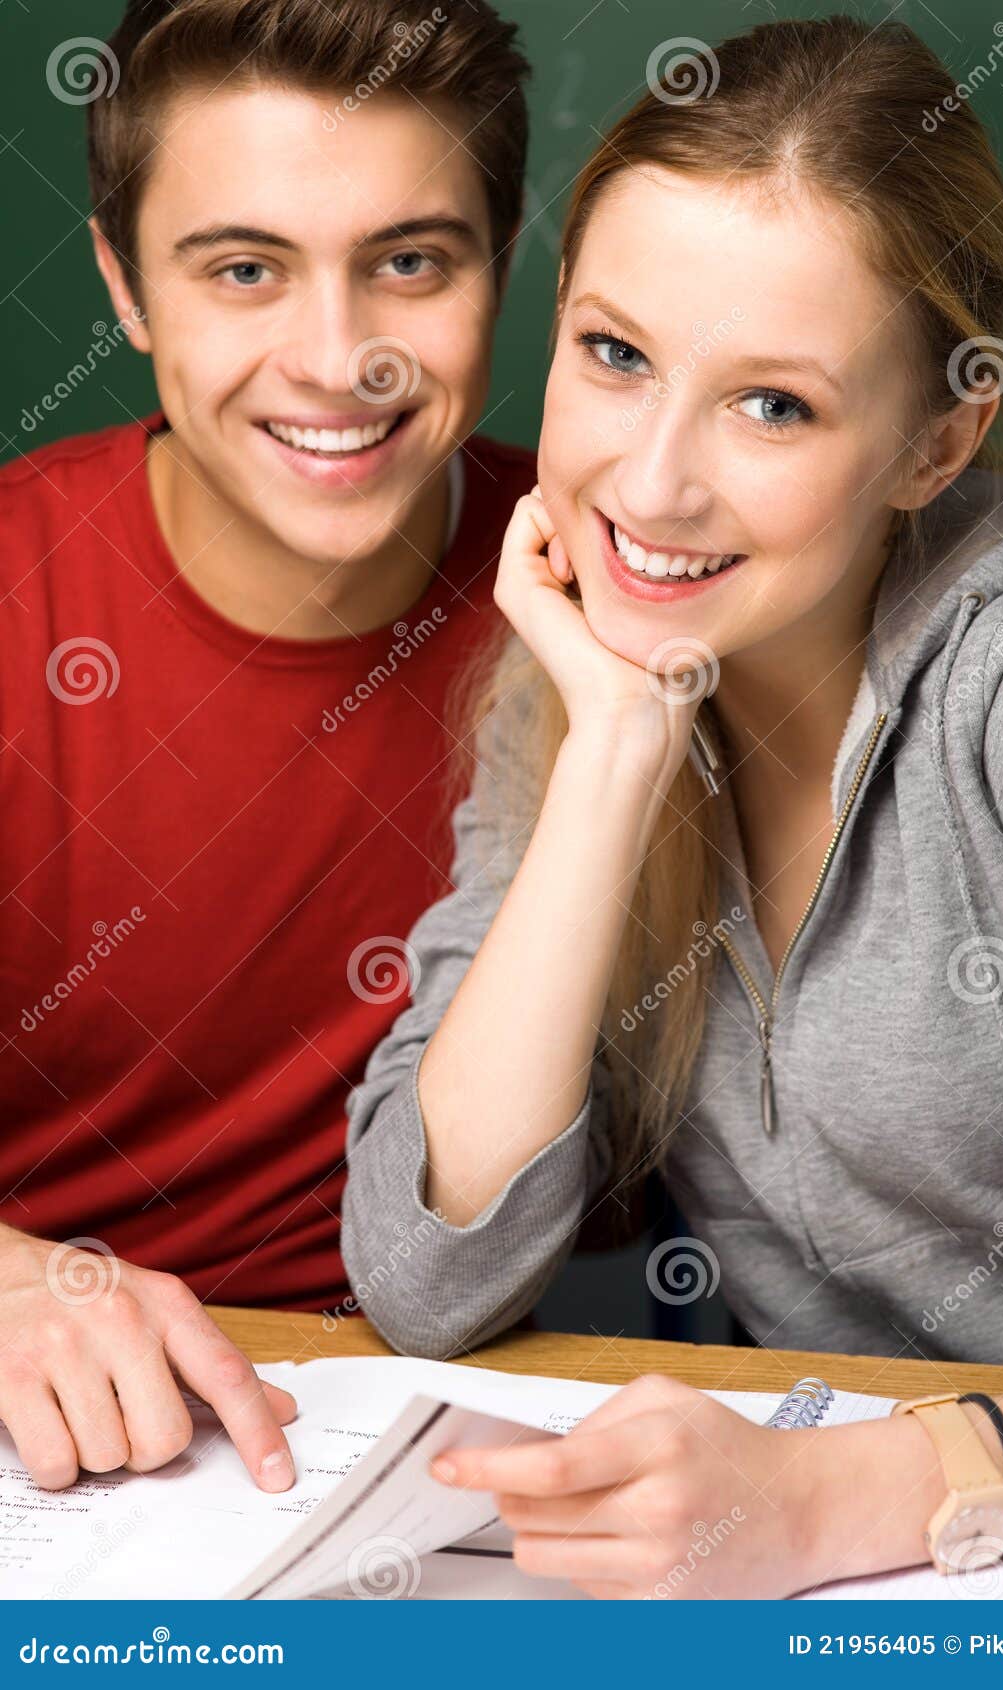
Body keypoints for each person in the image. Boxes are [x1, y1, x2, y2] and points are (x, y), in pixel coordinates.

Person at [342, 15, 1003, 1596]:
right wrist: (611, 755)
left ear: (934, 443)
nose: (651, 484)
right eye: (615, 356)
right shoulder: (587, 670)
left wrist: (864, 1495)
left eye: (775, 406)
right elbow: (427, 1275)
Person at [0, 0, 532, 1493]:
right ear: (123, 286)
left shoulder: (623, 585)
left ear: (500, 268)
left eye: (410, 262)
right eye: (245, 269)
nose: (339, 359)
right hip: (49, 1452)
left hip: (458, 1449)